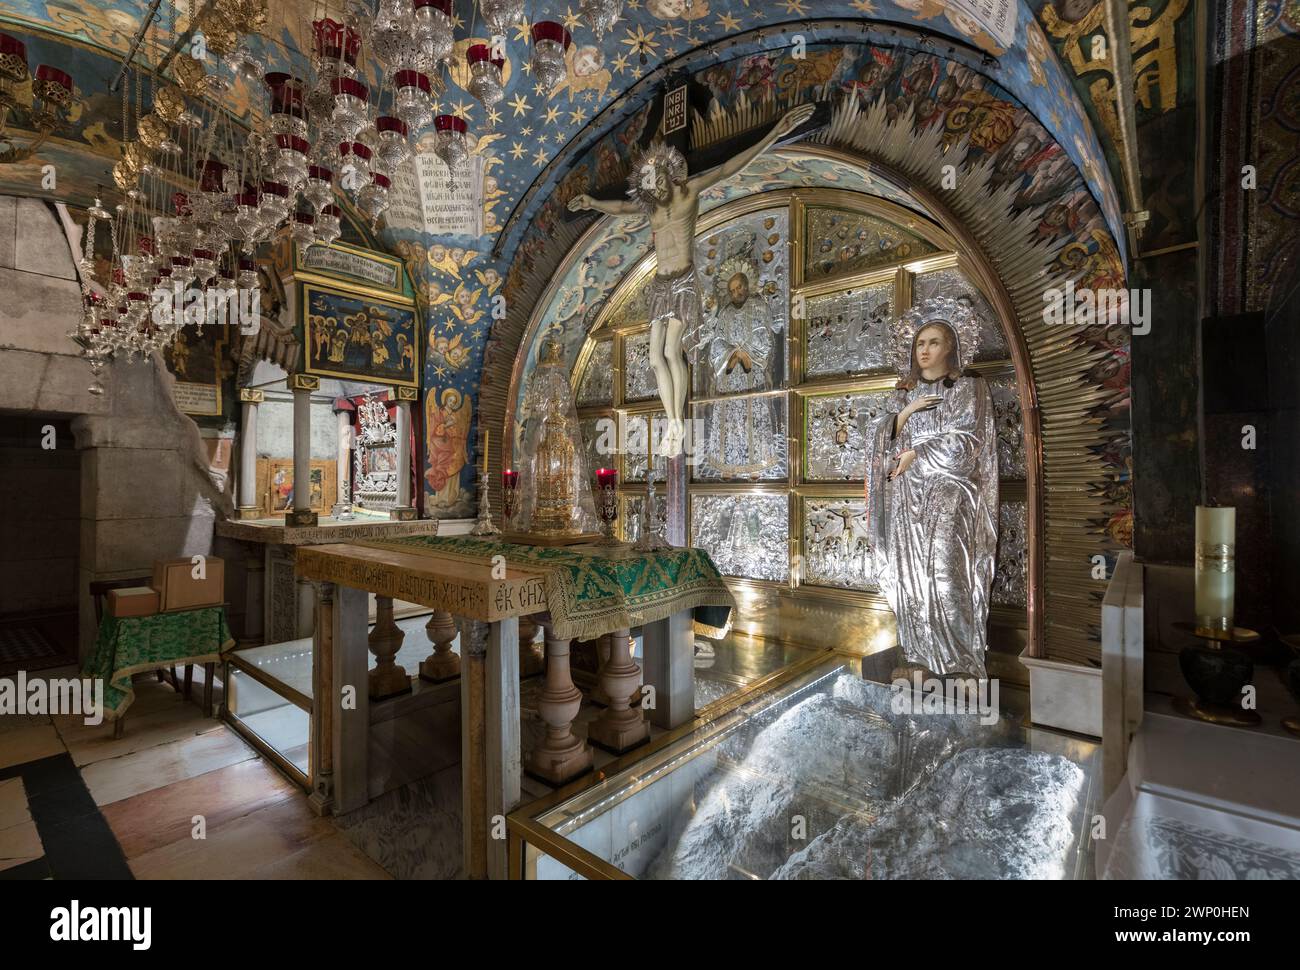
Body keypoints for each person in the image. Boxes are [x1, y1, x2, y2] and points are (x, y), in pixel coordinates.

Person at [567, 102, 815, 455]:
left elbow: (729, 167)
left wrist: (773, 133)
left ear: (669, 174)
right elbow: (621, 208)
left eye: (656, 180)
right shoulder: (650, 206)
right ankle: (672, 420)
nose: (653, 188)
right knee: (654, 358)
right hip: (660, 284)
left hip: (683, 279)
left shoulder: (688, 192)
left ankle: (677, 425)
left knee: (672, 350)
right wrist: (592, 202)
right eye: (648, 185)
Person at [864, 297, 999, 681]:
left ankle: (961, 662)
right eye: (920, 343)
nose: (925, 350)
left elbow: (968, 445)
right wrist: (904, 416)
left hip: (949, 493)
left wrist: (918, 453)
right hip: (907, 497)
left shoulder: (969, 388)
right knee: (909, 578)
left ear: (951, 346)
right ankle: (919, 654)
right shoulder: (902, 394)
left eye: (934, 342)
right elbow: (882, 447)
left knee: (945, 572)